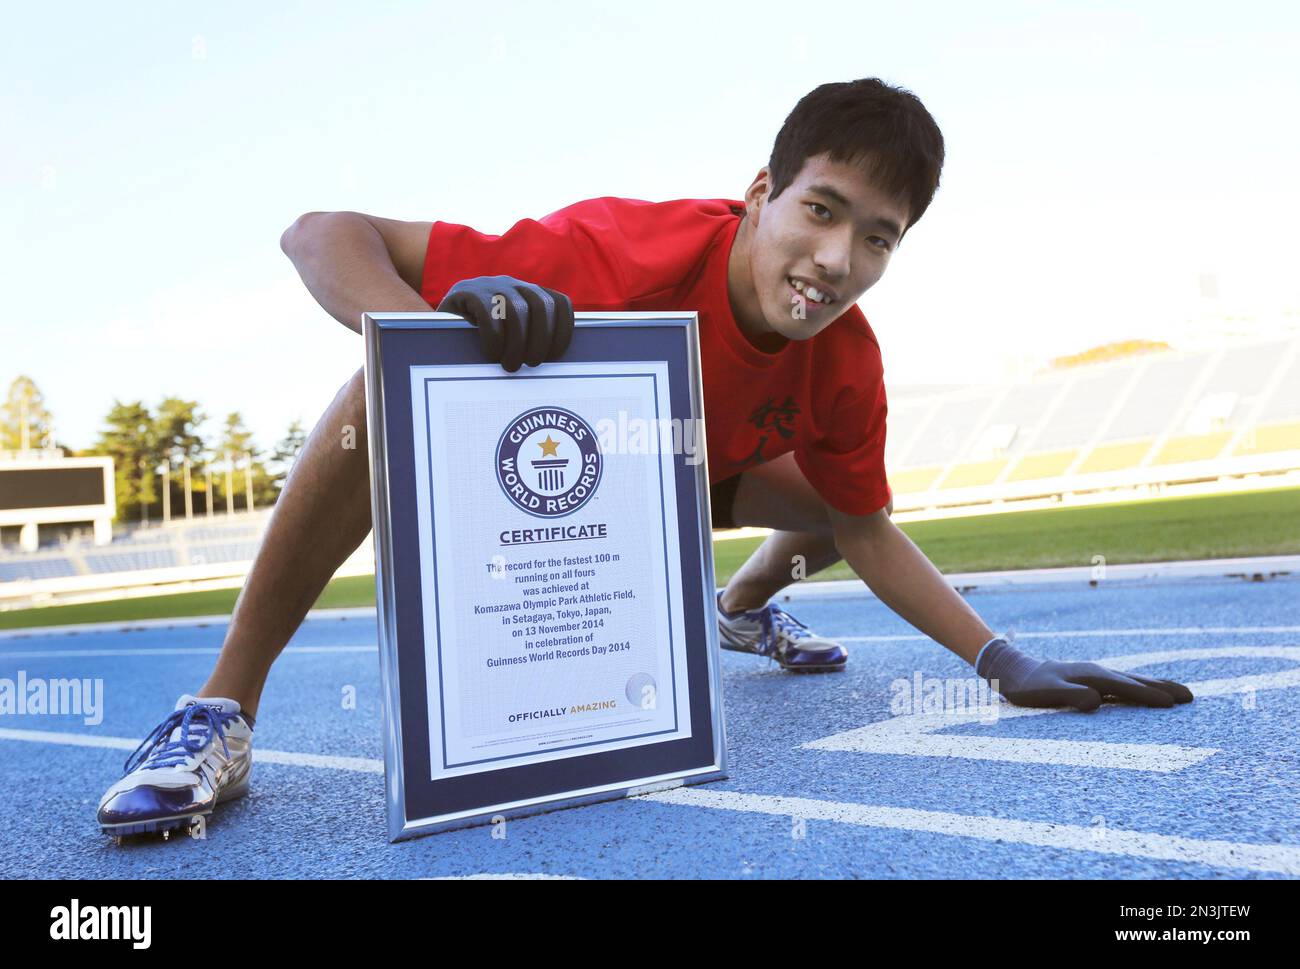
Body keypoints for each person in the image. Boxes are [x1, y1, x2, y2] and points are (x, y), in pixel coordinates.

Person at [96, 78, 1192, 842]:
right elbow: (321, 229)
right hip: (562, 468)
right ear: (759, 194)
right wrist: (423, 331)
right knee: (367, 402)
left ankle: (745, 607)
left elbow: (866, 530)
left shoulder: (846, 365)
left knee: (838, 502)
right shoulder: (621, 251)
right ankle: (221, 708)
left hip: (683, 476)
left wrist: (997, 661)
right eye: (820, 210)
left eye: (877, 237)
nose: (835, 260)